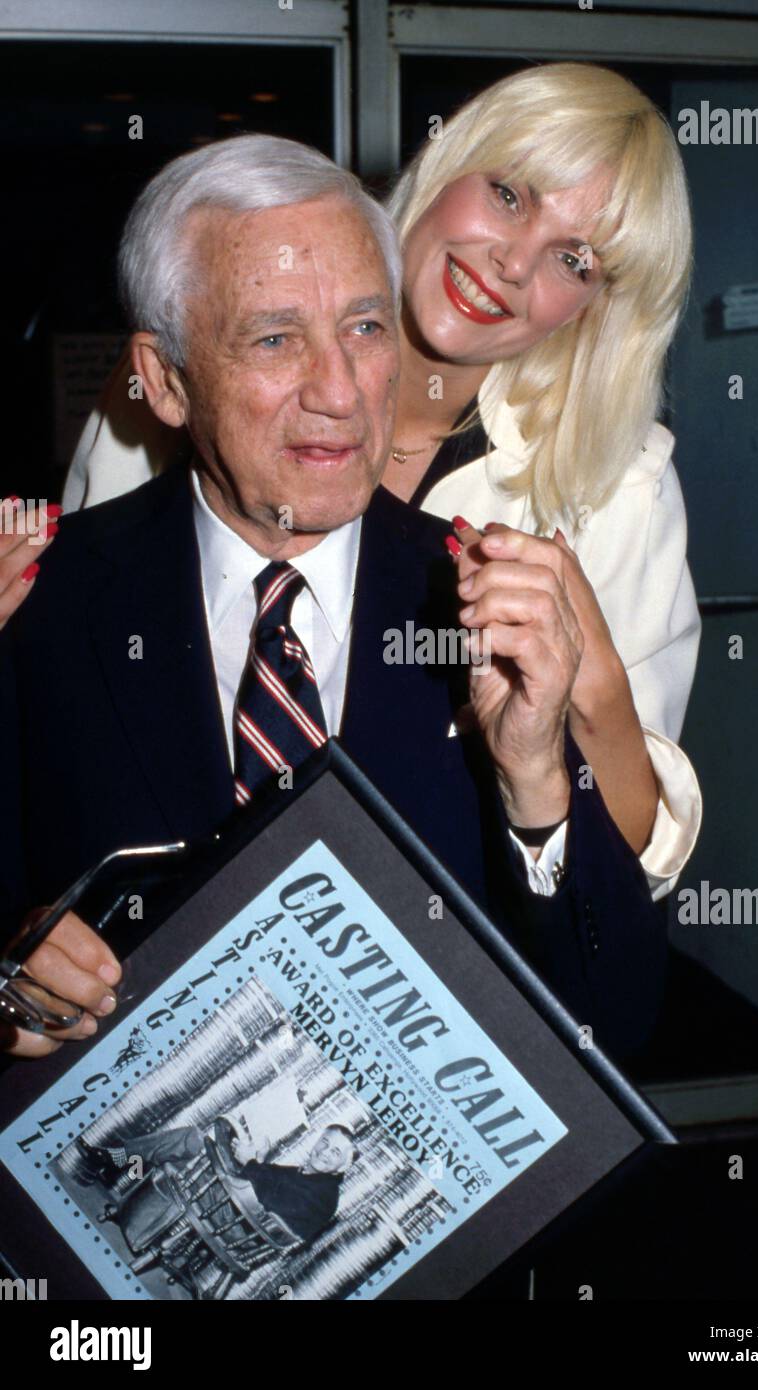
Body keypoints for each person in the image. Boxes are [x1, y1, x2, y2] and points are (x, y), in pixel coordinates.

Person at [0, 135, 665, 1068]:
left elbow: (616, 1023)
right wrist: (12, 982)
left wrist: (536, 783)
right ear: (162, 378)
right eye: (274, 338)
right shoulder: (38, 606)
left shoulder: (485, 611)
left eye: (364, 328)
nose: (340, 391)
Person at [58, 64, 702, 900]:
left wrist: (596, 688)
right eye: (509, 194)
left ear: (592, 306)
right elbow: (84, 678)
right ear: (448, 164)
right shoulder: (184, 377)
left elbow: (613, 899)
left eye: (572, 259)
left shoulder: (621, 484)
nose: (511, 263)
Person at [77, 1121, 355, 1247]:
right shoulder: (307, 1175)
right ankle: (114, 1165)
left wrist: (251, 1164)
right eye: (325, 1143)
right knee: (194, 1141)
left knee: (190, 1142)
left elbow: (273, 1202)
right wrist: (254, 1157)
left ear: (344, 1166)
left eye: (335, 1153)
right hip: (234, 1210)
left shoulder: (326, 1196)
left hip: (240, 1227)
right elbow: (267, 1182)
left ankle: (113, 1161)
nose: (324, 1152)